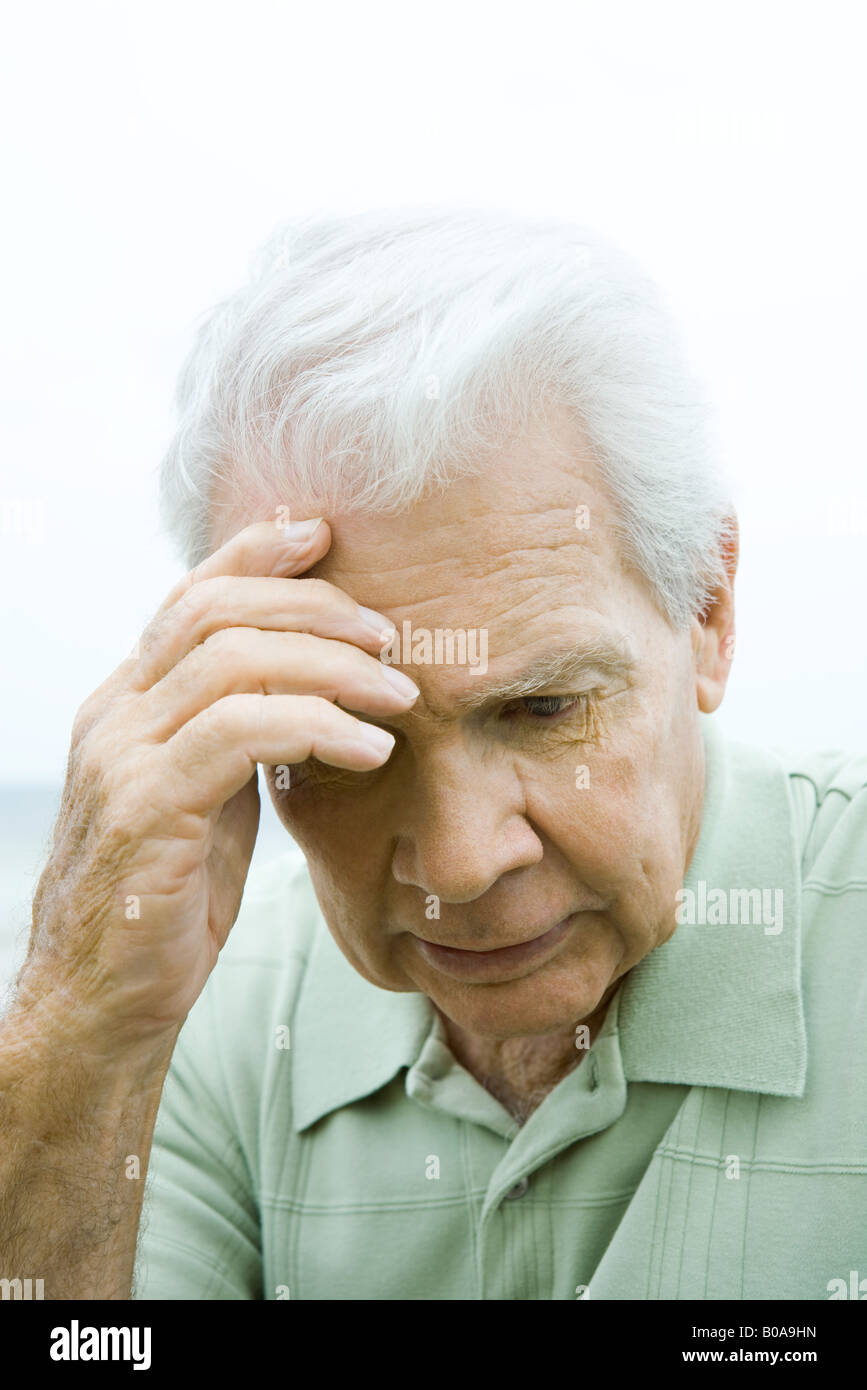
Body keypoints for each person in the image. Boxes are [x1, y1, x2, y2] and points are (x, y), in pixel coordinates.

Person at [1, 208, 864, 1301]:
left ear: (708, 609)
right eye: (350, 744)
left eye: (543, 708)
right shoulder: (199, 1017)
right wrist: (76, 1036)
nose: (459, 865)